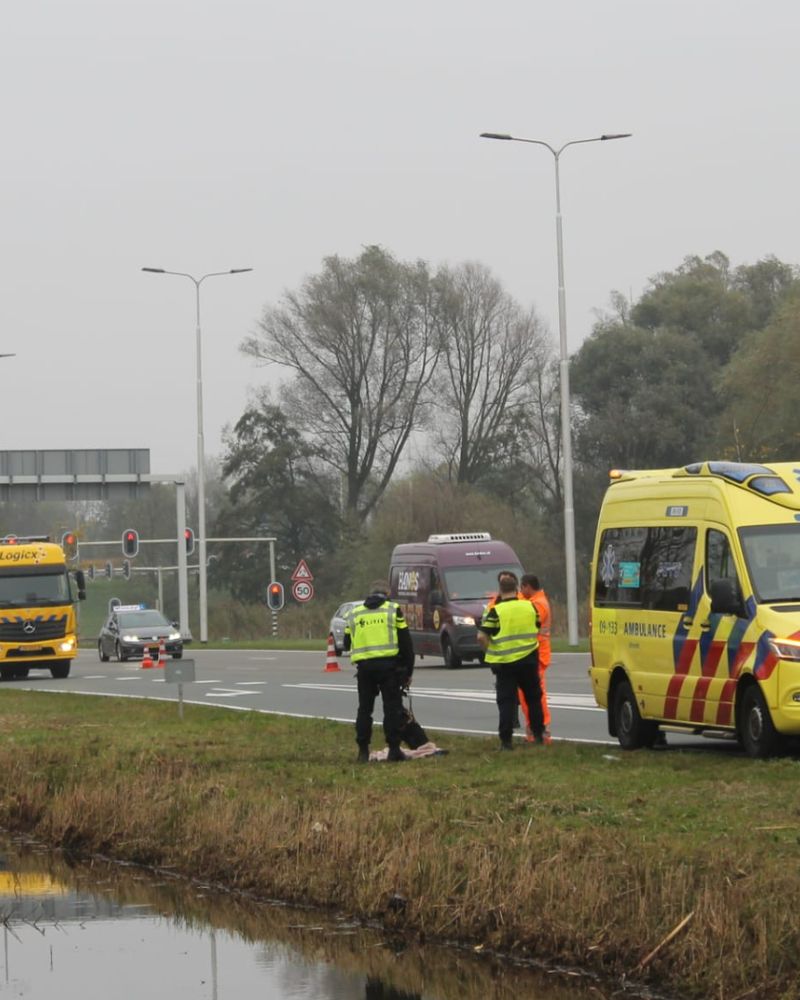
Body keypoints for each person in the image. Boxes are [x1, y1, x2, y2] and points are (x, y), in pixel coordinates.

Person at [344, 580, 415, 763]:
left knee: (364, 710)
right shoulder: (393, 609)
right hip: (388, 668)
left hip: (365, 668)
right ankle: (393, 750)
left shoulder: (354, 613)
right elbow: (406, 643)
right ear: (387, 594)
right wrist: (408, 671)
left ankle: (362, 751)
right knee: (391, 709)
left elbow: (345, 643)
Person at [477, 571, 544, 750]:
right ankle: (538, 735)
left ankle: (506, 741)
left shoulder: (496, 611)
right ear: (516, 589)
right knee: (533, 698)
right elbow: (537, 626)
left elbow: (481, 636)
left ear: (500, 590)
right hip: (529, 659)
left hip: (505, 663)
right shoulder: (530, 607)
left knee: (506, 701)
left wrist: (490, 652)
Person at [520, 573, 552, 744]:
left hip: (538, 653)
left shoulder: (538, 604)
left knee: (535, 695)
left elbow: (529, 624)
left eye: (521, 587)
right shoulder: (536, 601)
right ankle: (534, 731)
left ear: (527, 586)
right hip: (536, 652)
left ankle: (542, 730)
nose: (520, 591)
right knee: (530, 694)